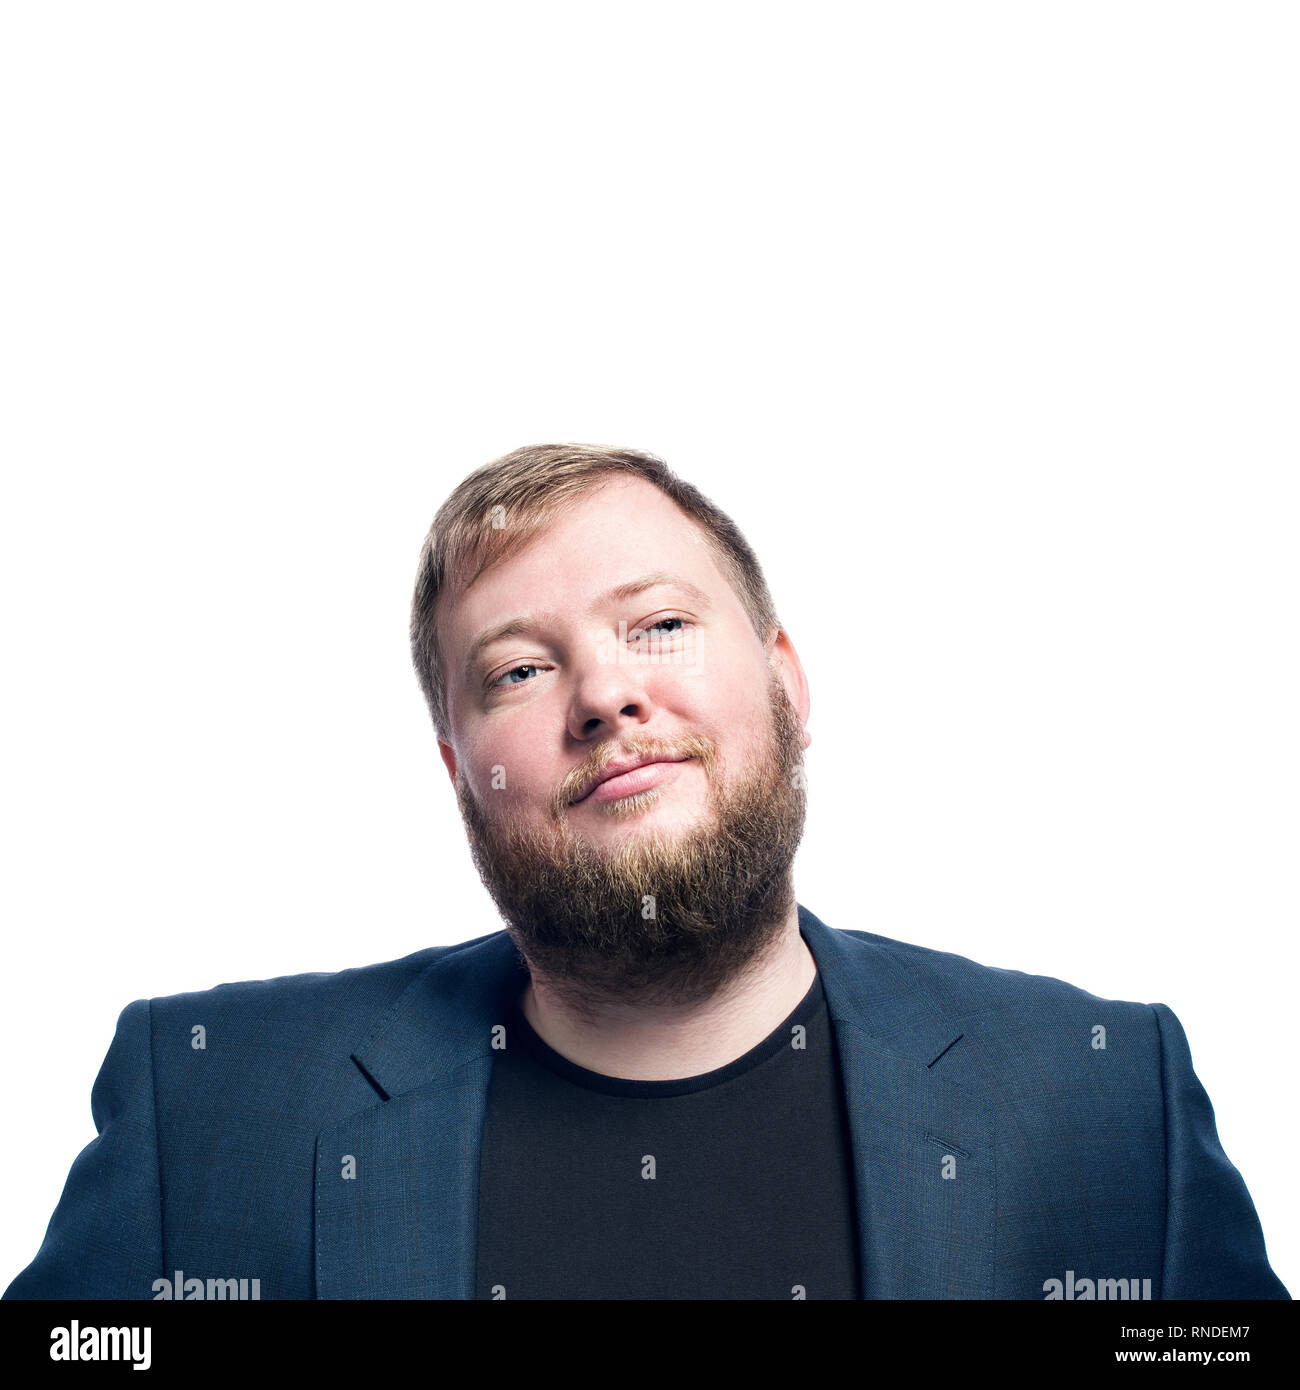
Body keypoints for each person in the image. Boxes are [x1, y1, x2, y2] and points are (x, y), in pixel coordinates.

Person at [4, 444, 1288, 1300]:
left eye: (659, 623)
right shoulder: (216, 1114)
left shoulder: (1102, 1107)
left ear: (785, 681)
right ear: (458, 765)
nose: (607, 693)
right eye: (519, 667)